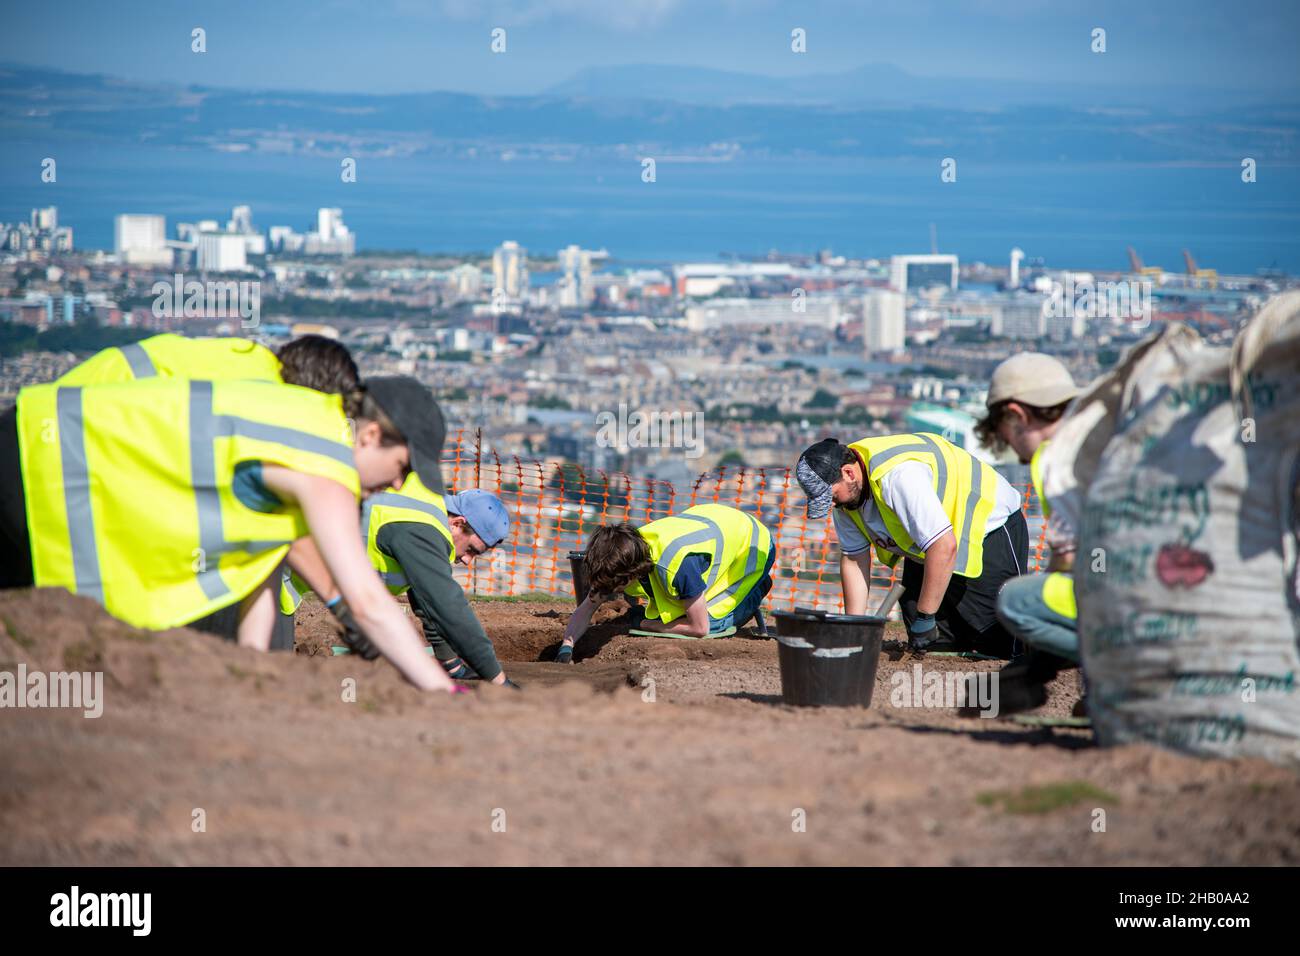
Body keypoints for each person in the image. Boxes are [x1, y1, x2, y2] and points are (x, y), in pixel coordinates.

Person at [2, 372, 456, 693]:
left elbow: (262, 561)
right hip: (34, 475)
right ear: (372, 435)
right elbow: (368, 602)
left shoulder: (306, 422)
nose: (399, 484)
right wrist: (442, 691)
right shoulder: (324, 465)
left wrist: (251, 667)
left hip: (35, 454)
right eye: (402, 467)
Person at [53, 332, 363, 651]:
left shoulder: (246, 371)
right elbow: (283, 535)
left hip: (70, 434)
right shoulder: (263, 407)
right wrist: (344, 607)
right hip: (74, 456)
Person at [795, 432, 1027, 657]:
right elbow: (855, 560)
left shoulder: (899, 477)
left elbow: (943, 546)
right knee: (935, 647)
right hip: (928, 547)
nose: (833, 503)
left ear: (848, 473)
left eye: (832, 496)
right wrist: (854, 629)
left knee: (998, 642)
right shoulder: (846, 500)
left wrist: (926, 616)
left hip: (989, 524)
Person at [284, 477, 518, 686]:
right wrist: (497, 678)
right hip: (272, 567)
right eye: (472, 550)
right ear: (457, 523)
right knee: (267, 678)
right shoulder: (422, 530)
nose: (468, 560)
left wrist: (451, 665)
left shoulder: (426, 507)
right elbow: (447, 607)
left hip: (285, 566)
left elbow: (425, 600)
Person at [974, 352, 1082, 710]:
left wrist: (1035, 665)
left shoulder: (1054, 458)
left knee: (1018, 600)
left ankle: (1118, 678)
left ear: (1017, 415)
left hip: (1132, 600)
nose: (1014, 452)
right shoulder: (1101, 432)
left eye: (1004, 434)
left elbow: (1069, 560)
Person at [559, 503, 775, 663]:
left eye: (612, 586)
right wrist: (566, 647)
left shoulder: (677, 566)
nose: (606, 592)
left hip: (753, 545)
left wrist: (647, 624)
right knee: (680, 611)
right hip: (717, 523)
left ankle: (759, 587)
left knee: (713, 624)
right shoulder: (624, 552)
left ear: (628, 575)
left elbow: (700, 629)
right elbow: (586, 608)